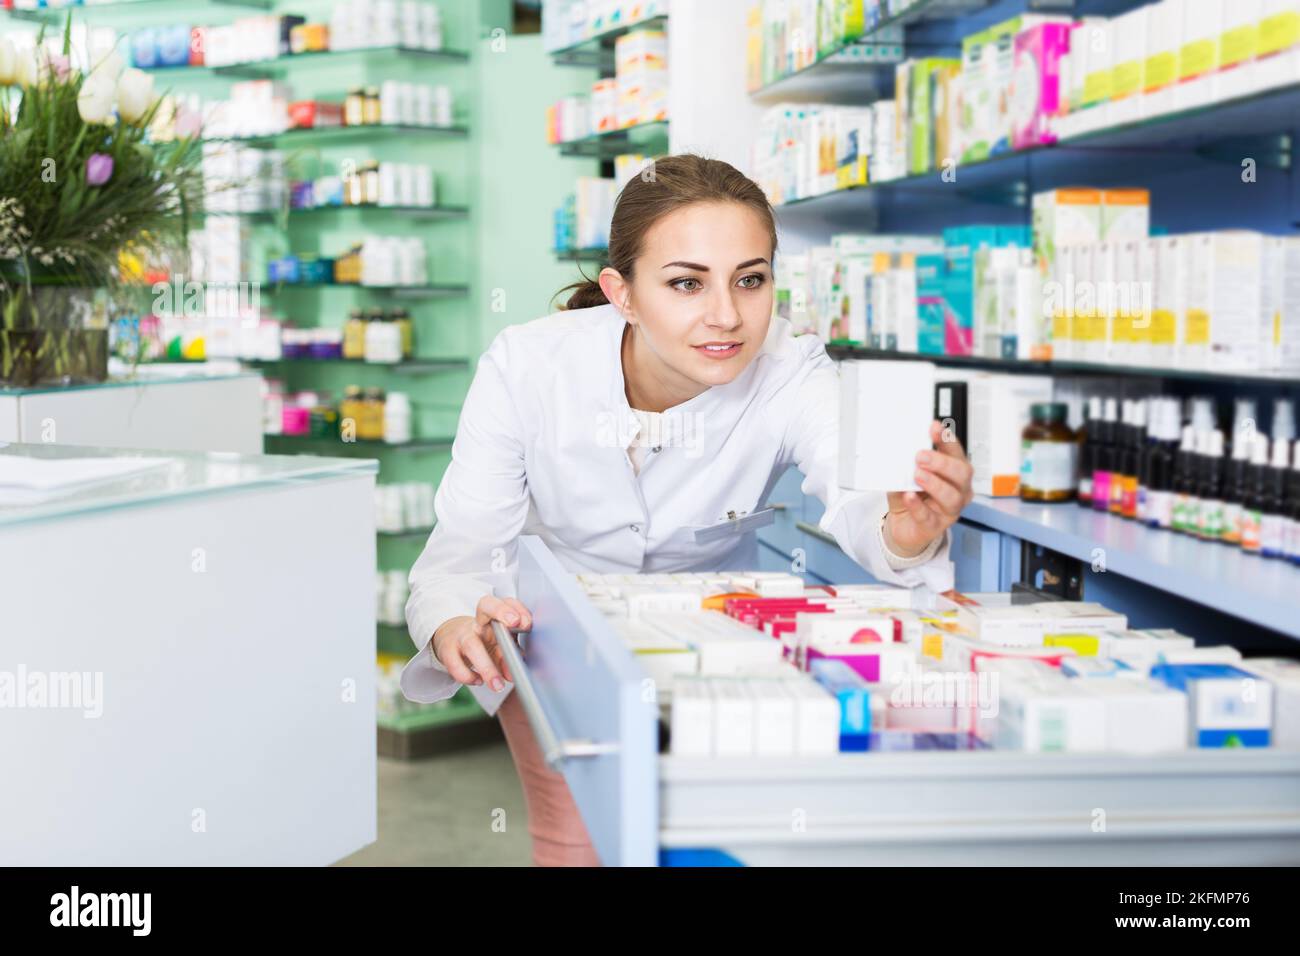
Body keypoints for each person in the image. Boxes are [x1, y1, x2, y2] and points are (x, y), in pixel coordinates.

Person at [399, 154, 974, 866]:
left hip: (709, 647)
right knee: (576, 841)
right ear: (624, 293)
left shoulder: (792, 370)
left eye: (751, 279)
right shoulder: (527, 365)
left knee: (706, 836)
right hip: (550, 635)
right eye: (685, 283)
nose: (727, 316)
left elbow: (858, 493)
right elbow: (464, 545)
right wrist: (456, 617)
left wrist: (907, 531)